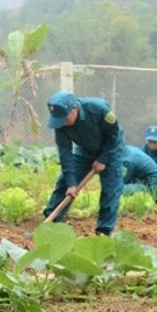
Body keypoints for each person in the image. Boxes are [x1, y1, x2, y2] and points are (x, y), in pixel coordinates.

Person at [43, 91, 125, 236]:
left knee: (110, 189)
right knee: (64, 183)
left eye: (64, 118)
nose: (62, 122)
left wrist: (103, 158)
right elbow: (65, 153)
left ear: (74, 108)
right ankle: (51, 222)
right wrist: (71, 183)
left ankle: (104, 231)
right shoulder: (60, 124)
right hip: (85, 150)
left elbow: (114, 135)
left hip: (111, 150)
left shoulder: (98, 109)